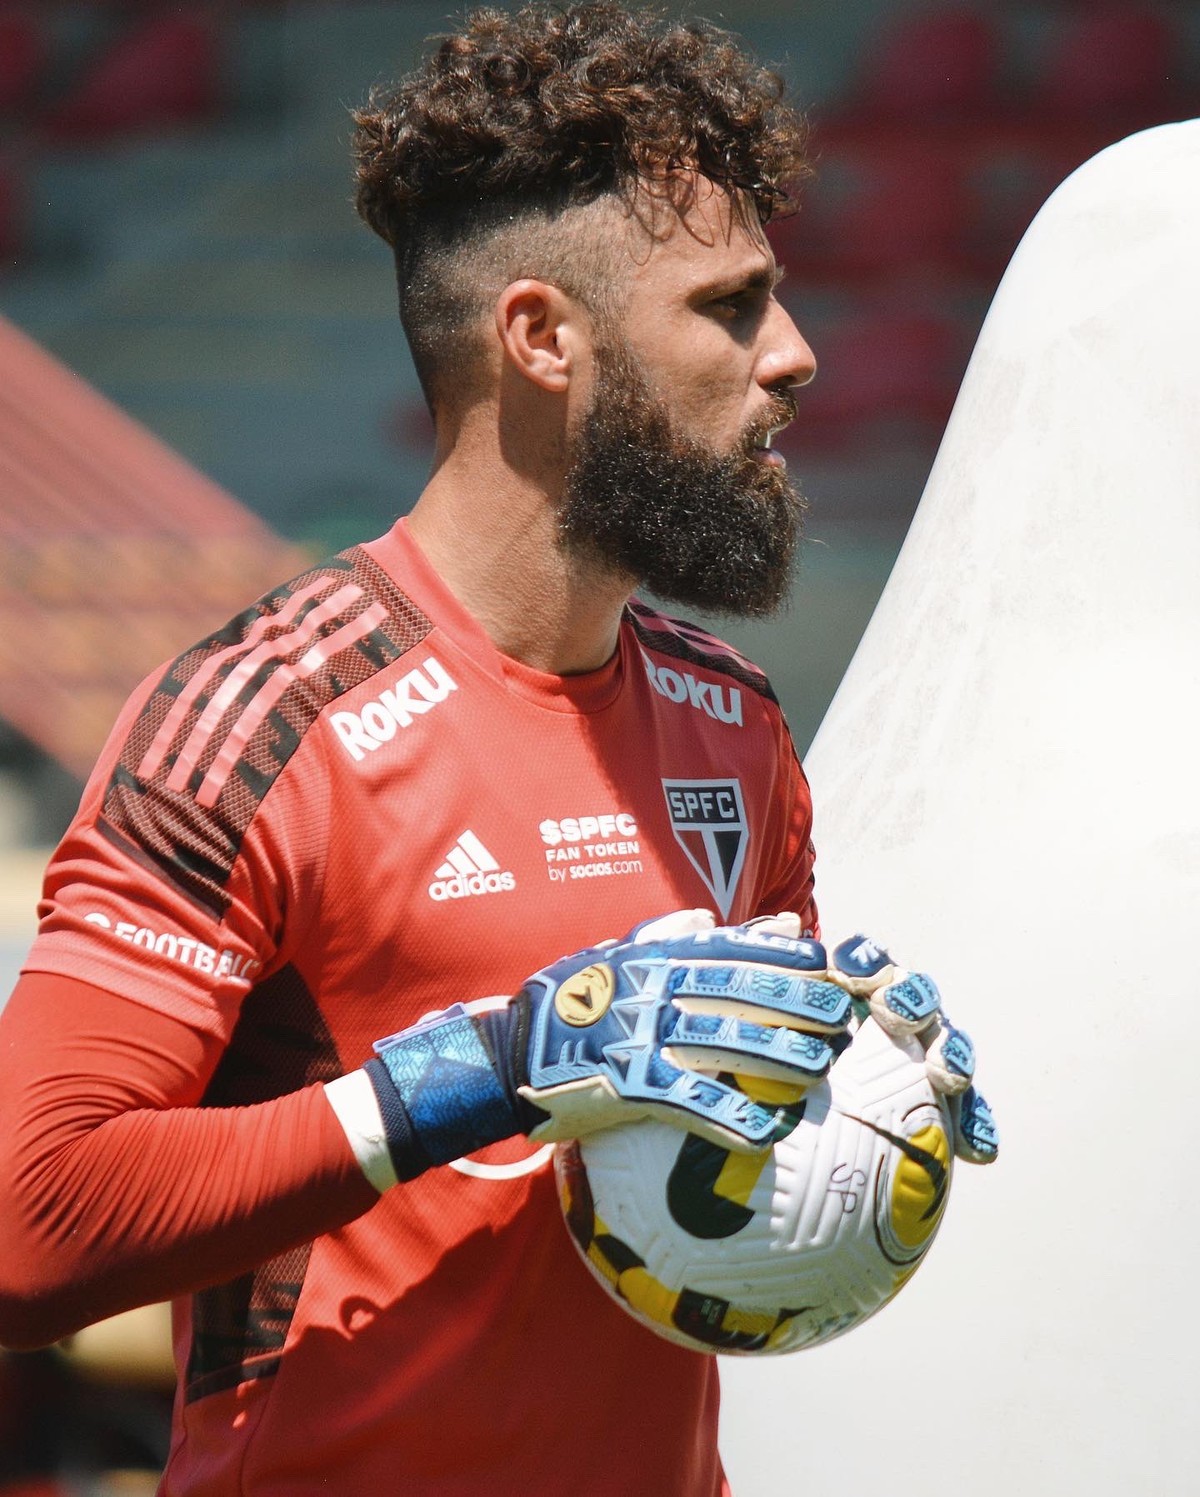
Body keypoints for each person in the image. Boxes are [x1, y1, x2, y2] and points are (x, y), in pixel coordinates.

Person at [0, 5, 995, 1494]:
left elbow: (700, 1211)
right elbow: (30, 1224)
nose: (794, 356)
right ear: (541, 338)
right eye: (730, 306)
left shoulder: (733, 727)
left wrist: (862, 1095)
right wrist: (486, 1069)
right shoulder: (261, 721)